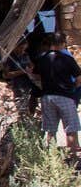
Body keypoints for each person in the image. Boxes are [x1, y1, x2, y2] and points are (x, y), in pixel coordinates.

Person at [33, 31, 81, 160]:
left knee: (50, 129)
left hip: (47, 96)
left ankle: (50, 158)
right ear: (63, 43)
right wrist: (74, 88)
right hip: (65, 95)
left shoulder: (41, 58)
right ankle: (73, 158)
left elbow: (36, 76)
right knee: (71, 128)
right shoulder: (67, 59)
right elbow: (78, 78)